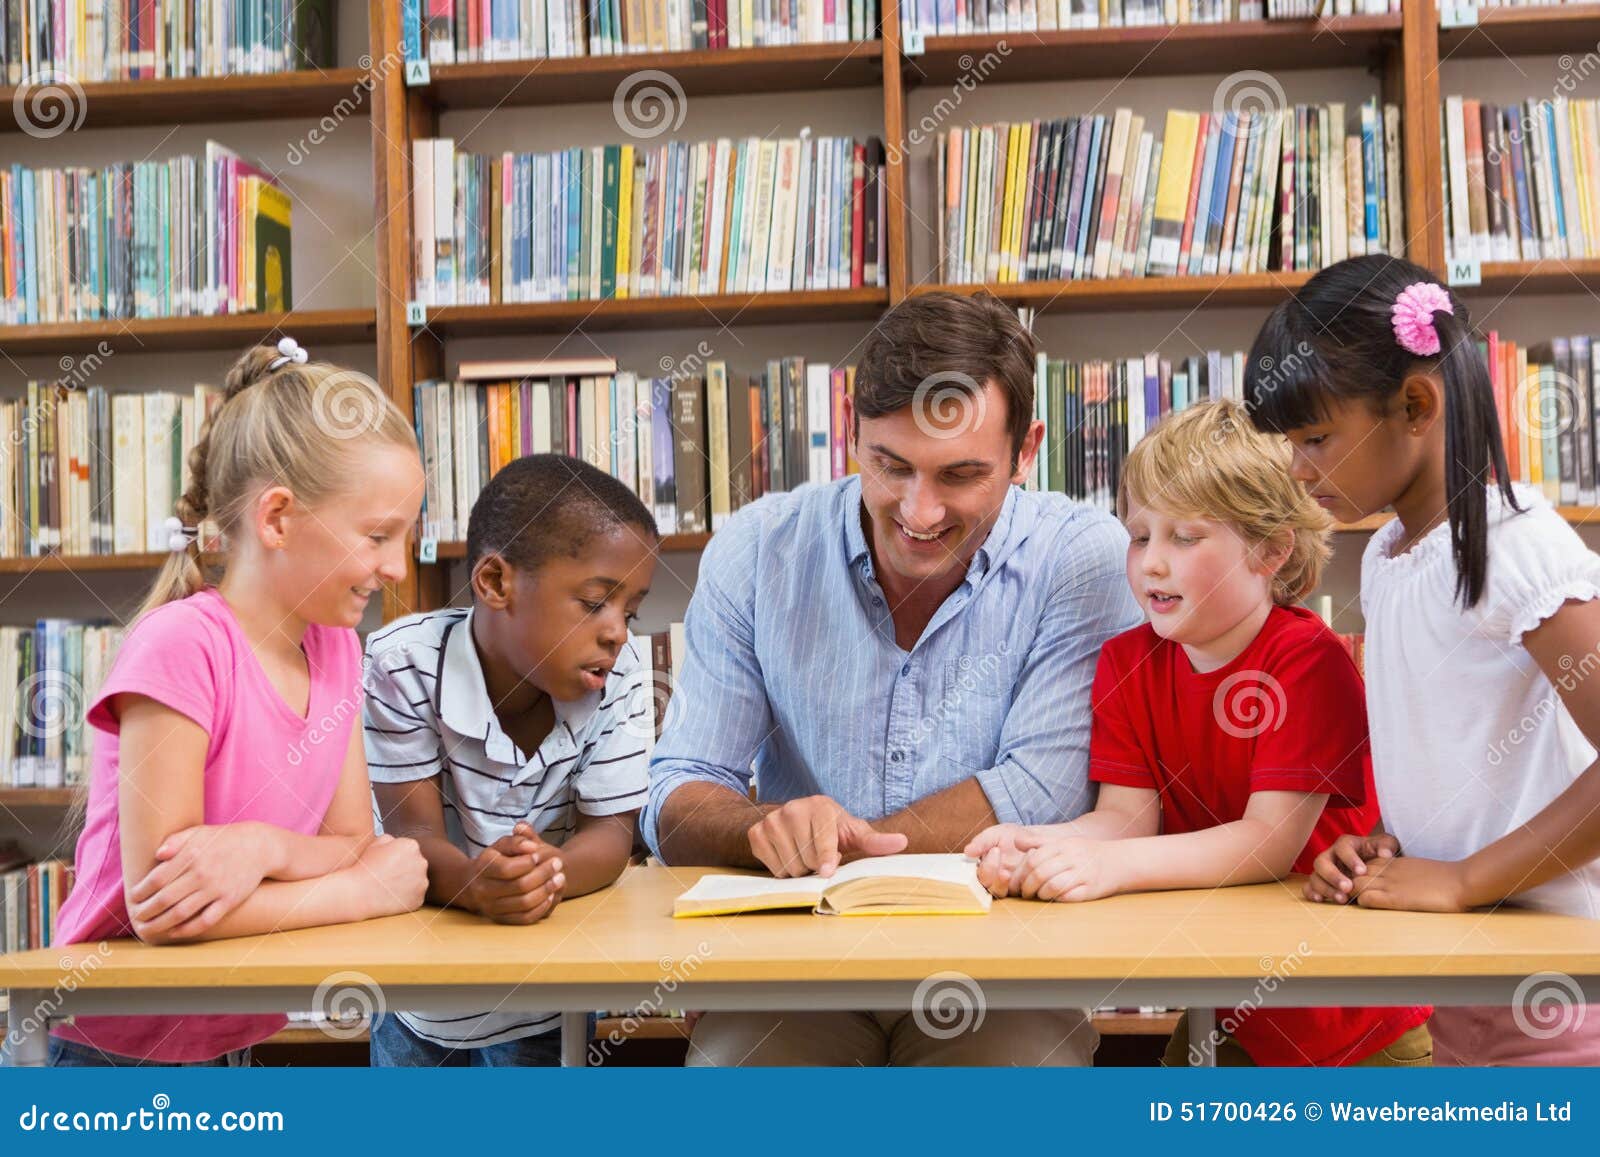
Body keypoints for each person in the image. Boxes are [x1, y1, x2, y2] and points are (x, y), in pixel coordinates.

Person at [641, 291, 1142, 1066]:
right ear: (851, 430)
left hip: (1000, 964)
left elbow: (1044, 787)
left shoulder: (1083, 557)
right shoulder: (755, 549)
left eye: (961, 474)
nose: (919, 510)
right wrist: (756, 828)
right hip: (794, 964)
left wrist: (851, 853)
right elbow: (678, 792)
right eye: (891, 464)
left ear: (1027, 448)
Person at [968, 399, 1433, 1067]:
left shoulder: (1308, 661)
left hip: (1354, 1027)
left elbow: (1265, 844)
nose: (1152, 562)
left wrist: (1107, 866)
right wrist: (1037, 842)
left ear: (1271, 548)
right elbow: (1123, 821)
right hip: (1228, 1010)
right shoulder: (1126, 662)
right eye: (1138, 535)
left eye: (1184, 538)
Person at [1250, 254, 1600, 1065]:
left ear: (1415, 404)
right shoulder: (1387, 555)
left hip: (1560, 992)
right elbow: (1454, 757)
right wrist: (1384, 843)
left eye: (1315, 438)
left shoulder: (1519, 549)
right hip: (1460, 986)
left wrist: (1464, 878)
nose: (1299, 469)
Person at [41, 340, 429, 1066]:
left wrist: (264, 848)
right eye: (378, 535)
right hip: (110, 1046)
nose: (396, 567)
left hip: (231, 1034)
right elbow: (169, 911)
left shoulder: (339, 650)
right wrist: (366, 891)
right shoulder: (181, 647)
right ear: (277, 518)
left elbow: (349, 839)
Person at [365, 454, 659, 1066]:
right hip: (419, 1006)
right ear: (495, 583)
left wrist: (548, 873)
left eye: (629, 612)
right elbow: (411, 834)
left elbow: (610, 835)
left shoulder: (625, 675)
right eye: (594, 603)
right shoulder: (402, 664)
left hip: (560, 1010)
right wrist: (475, 886)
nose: (618, 633)